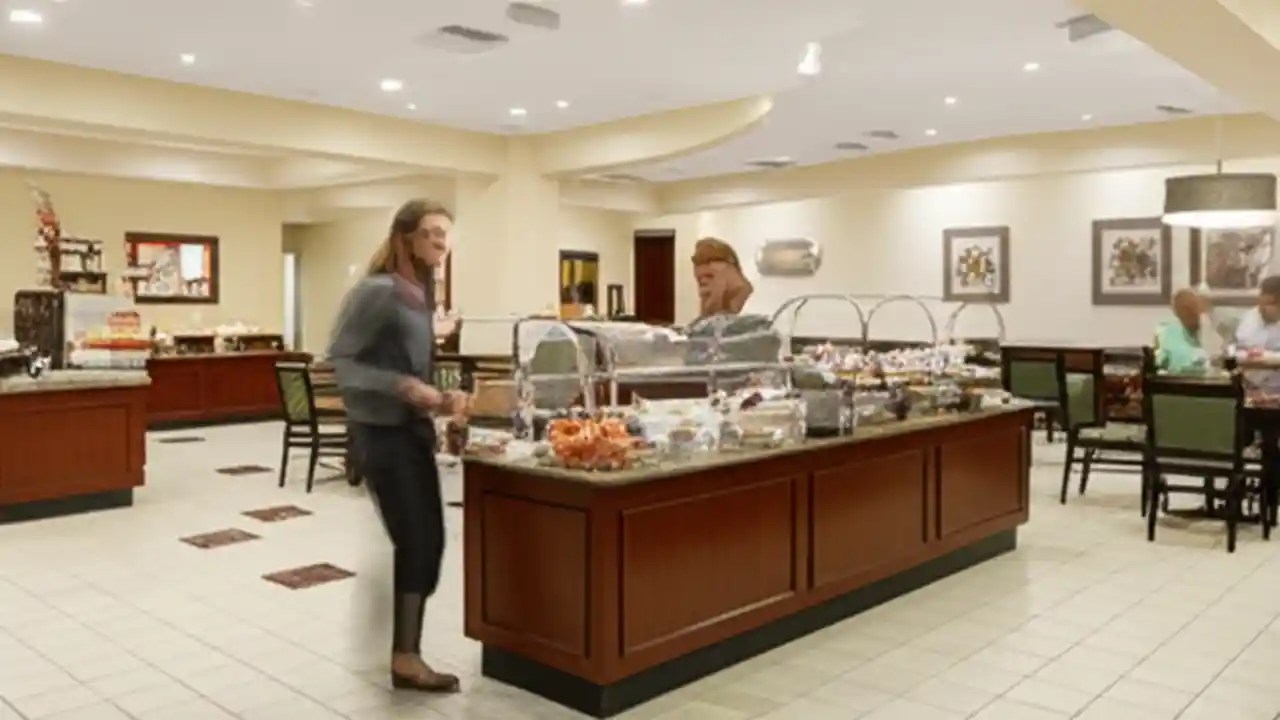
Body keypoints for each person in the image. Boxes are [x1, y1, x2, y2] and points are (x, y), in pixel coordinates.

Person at [328, 199, 467, 693]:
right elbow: (341, 362)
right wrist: (402, 388)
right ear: (405, 237)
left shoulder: (418, 294)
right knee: (418, 540)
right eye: (431, 233)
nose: (441, 243)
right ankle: (405, 657)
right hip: (380, 436)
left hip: (411, 433)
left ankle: (406, 651)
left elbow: (411, 366)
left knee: (428, 540)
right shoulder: (377, 291)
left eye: (445, 235)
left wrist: (438, 401)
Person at [1154, 288, 1224, 373]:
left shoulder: (1213, 331)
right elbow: (1157, 368)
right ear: (1177, 312)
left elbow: (1220, 361)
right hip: (1176, 383)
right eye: (1185, 309)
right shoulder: (1166, 334)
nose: (1191, 313)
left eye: (1194, 308)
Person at [692, 237, 753, 319]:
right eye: (701, 283)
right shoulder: (711, 310)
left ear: (731, 267)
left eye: (709, 276)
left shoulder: (754, 304)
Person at [1233, 275, 1280, 351]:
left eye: (1272, 303)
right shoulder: (1251, 317)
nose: (1265, 307)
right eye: (1264, 302)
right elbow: (1246, 343)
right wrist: (1267, 321)